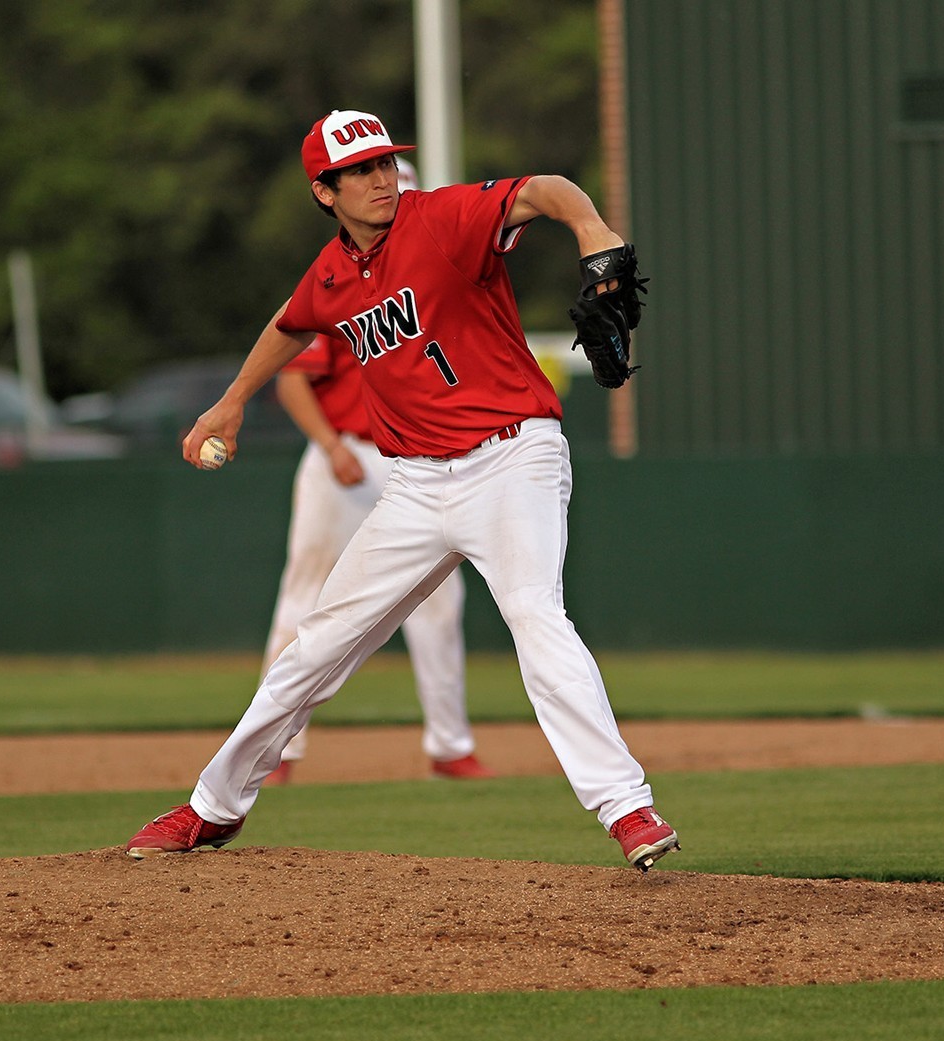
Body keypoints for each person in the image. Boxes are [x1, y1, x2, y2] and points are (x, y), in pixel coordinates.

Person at [127, 108, 678, 870]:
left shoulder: (444, 217)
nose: (381, 178)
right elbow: (291, 323)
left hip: (512, 457)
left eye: (385, 162)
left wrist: (595, 236)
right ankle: (212, 808)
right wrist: (232, 400)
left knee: (534, 615)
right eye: (360, 170)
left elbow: (548, 190)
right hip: (415, 483)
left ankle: (628, 809)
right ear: (325, 191)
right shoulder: (331, 272)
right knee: (314, 646)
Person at [261, 155, 488, 785]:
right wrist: (330, 444)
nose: (391, 196)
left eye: (402, 187)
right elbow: (293, 380)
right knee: (304, 599)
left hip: (418, 461)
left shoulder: (438, 276)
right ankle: (275, 748)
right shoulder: (337, 285)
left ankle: (450, 744)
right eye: (377, 184)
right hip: (346, 458)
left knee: (439, 605)